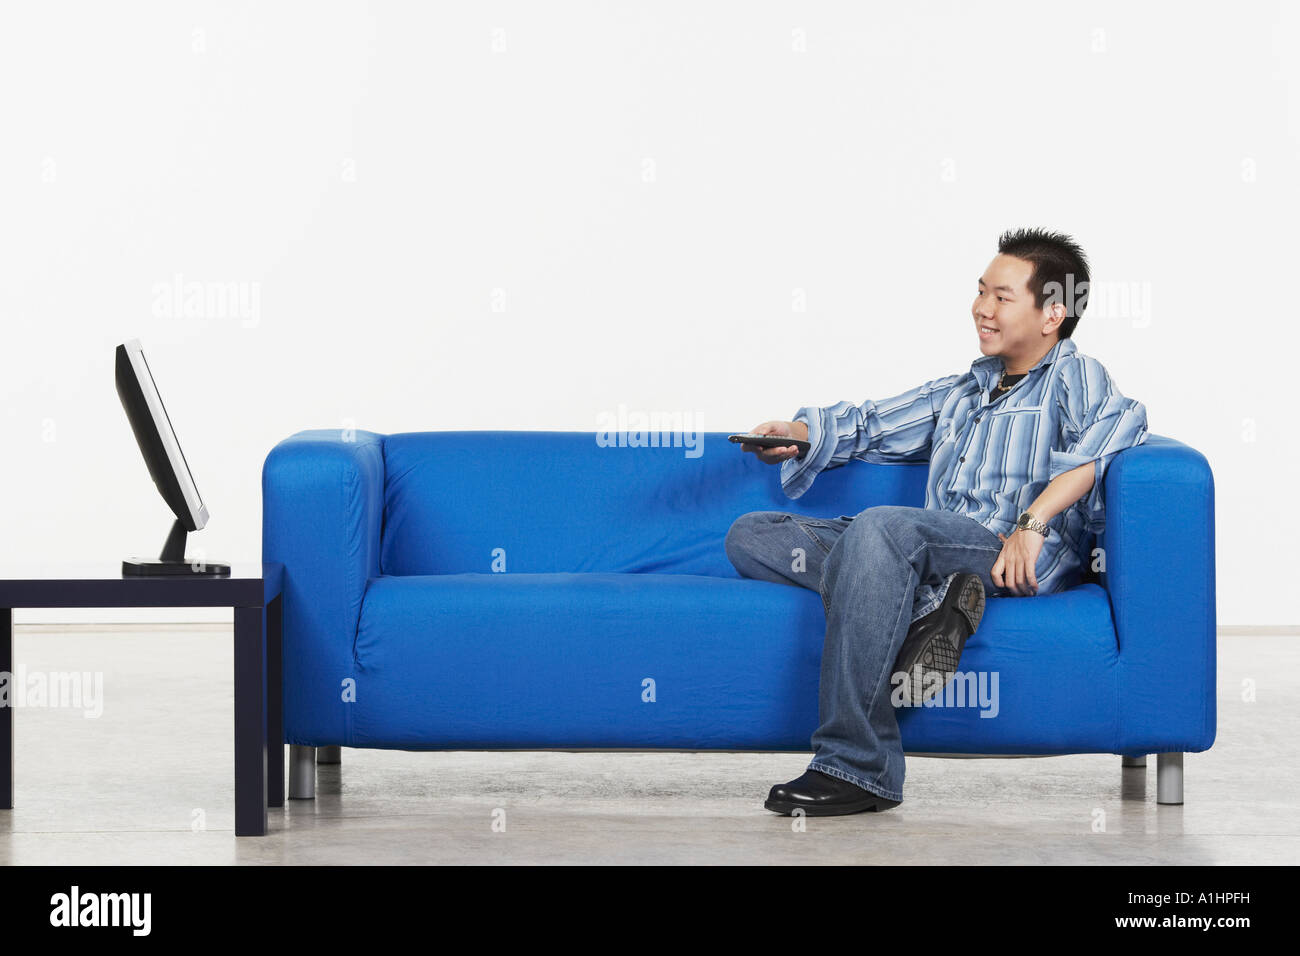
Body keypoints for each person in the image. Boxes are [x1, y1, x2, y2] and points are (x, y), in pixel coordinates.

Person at [725, 227, 1149, 816]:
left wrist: (1032, 523)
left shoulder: (1074, 375)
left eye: (1001, 296)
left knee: (881, 530)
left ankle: (857, 765)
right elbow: (874, 423)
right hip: (930, 545)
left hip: (1004, 548)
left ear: (1053, 313)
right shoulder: (964, 391)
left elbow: (1113, 434)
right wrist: (798, 434)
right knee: (751, 535)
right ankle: (930, 602)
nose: (982, 307)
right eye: (981, 291)